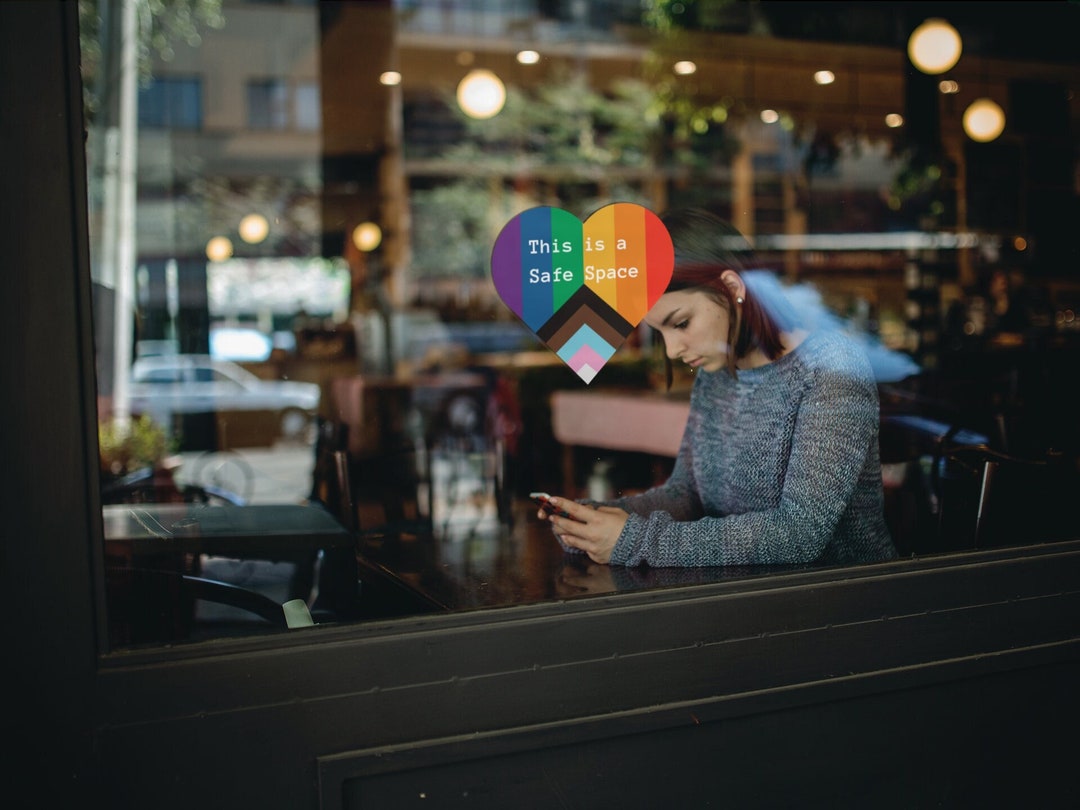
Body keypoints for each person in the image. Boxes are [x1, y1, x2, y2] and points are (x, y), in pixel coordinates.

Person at [539, 207, 897, 568]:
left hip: (841, 597)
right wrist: (596, 521)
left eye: (681, 323)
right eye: (659, 332)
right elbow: (687, 495)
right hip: (747, 593)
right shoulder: (716, 372)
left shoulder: (833, 368)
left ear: (731, 288)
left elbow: (799, 535)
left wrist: (631, 539)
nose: (672, 350)